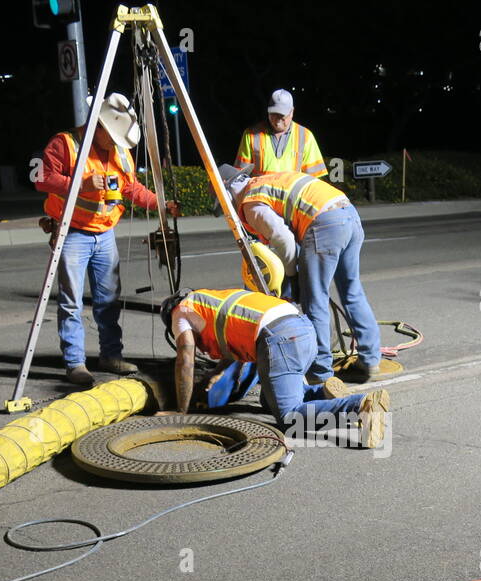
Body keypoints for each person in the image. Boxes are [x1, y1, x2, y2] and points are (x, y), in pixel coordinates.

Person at [35, 93, 180, 386]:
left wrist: (159, 204)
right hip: (72, 232)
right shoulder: (65, 144)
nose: (115, 143)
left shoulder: (119, 151)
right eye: (111, 136)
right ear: (98, 125)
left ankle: (110, 356)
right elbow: (42, 179)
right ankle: (75, 363)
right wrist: (80, 183)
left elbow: (131, 188)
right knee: (71, 303)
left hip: (105, 234)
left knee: (108, 301)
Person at [161, 288, 389, 449]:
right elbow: (233, 332)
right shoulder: (210, 299)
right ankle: (320, 393)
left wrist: (182, 411)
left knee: (289, 417)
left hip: (281, 341)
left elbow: (185, 360)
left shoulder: (180, 313)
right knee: (267, 401)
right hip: (303, 329)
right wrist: (219, 371)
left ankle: (359, 406)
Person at [217, 164, 383, 384]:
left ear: (228, 191)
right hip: (349, 214)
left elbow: (283, 239)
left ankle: (319, 372)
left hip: (325, 224)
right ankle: (371, 360)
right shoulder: (268, 181)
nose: (226, 208)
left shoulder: (251, 203)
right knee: (352, 291)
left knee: (314, 298)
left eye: (223, 202)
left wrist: (293, 277)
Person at [236, 89, 327, 180]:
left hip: (291, 194)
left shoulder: (305, 136)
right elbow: (240, 176)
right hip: (259, 194)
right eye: (273, 114)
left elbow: (314, 181)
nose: (277, 121)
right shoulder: (251, 134)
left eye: (282, 116)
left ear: (292, 112)